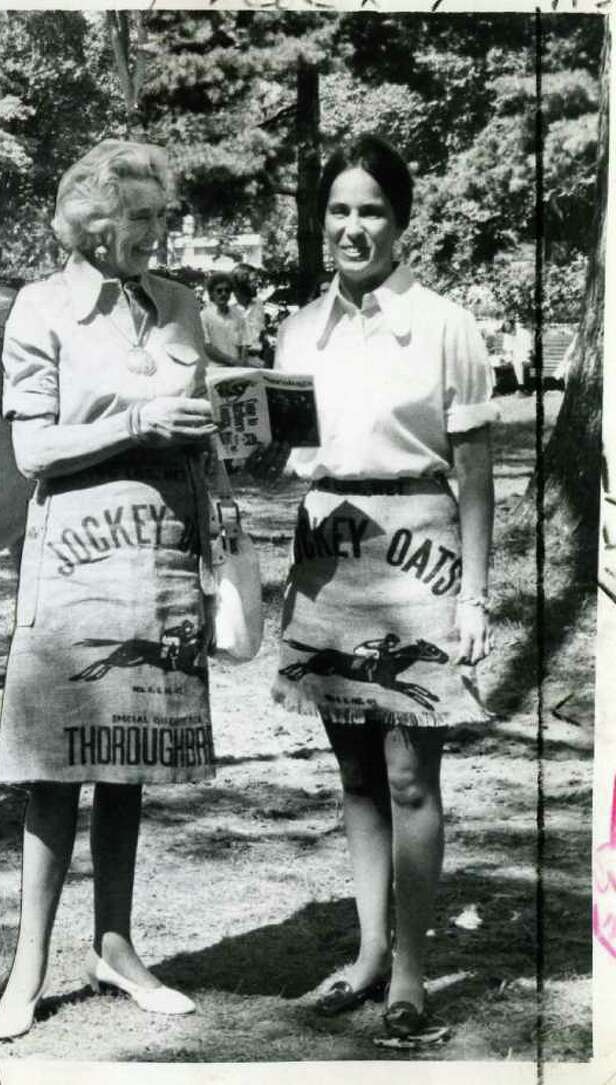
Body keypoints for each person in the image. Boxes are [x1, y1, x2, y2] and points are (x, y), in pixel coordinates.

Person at [255, 134, 496, 1042]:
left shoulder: (445, 325)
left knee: (410, 773)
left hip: (419, 551)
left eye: (372, 212)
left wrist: (474, 595)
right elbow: (284, 460)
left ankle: (412, 969)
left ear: (401, 222)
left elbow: (475, 473)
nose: (353, 229)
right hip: (328, 553)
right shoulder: (298, 329)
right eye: (339, 212)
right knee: (355, 770)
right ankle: (364, 954)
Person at [0, 140, 223, 1041]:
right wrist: (135, 420)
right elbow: (31, 451)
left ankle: (116, 946)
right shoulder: (40, 311)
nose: (159, 235)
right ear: (92, 225)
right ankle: (28, 967)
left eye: (162, 219)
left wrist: (216, 490)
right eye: (143, 220)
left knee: (132, 752)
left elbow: (198, 424)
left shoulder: (179, 306)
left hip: (159, 548)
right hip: (78, 547)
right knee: (56, 763)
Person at [200, 272, 244, 366]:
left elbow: (243, 344)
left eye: (227, 290)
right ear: (211, 293)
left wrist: (242, 364)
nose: (223, 294)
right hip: (215, 371)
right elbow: (206, 347)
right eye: (219, 291)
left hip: (236, 370)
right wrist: (233, 361)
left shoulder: (238, 315)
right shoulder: (204, 316)